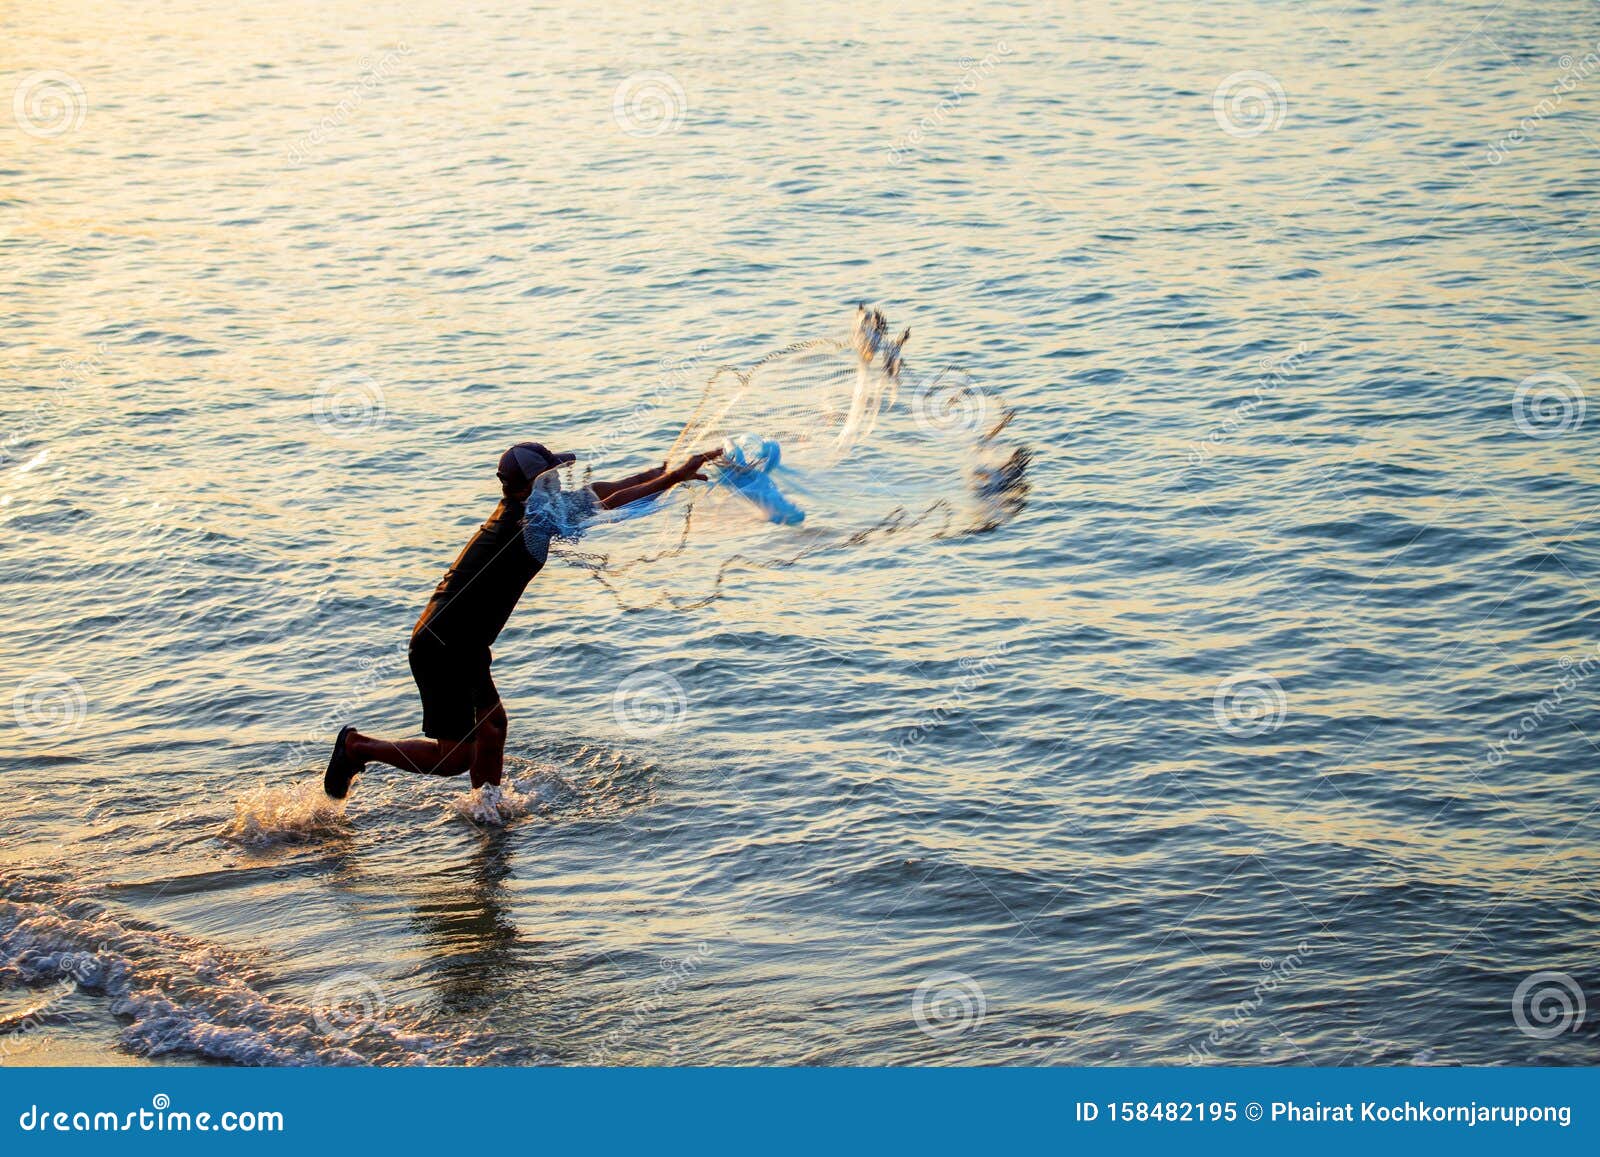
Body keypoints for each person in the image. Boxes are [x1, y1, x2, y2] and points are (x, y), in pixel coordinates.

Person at [323, 440, 722, 799]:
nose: (557, 481)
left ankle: (487, 809)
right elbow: (610, 502)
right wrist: (673, 477)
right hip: (443, 644)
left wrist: (667, 471)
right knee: (454, 759)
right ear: (527, 486)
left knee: (492, 728)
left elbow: (605, 491)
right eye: (548, 475)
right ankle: (358, 747)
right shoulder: (528, 522)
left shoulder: (537, 508)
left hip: (466, 642)